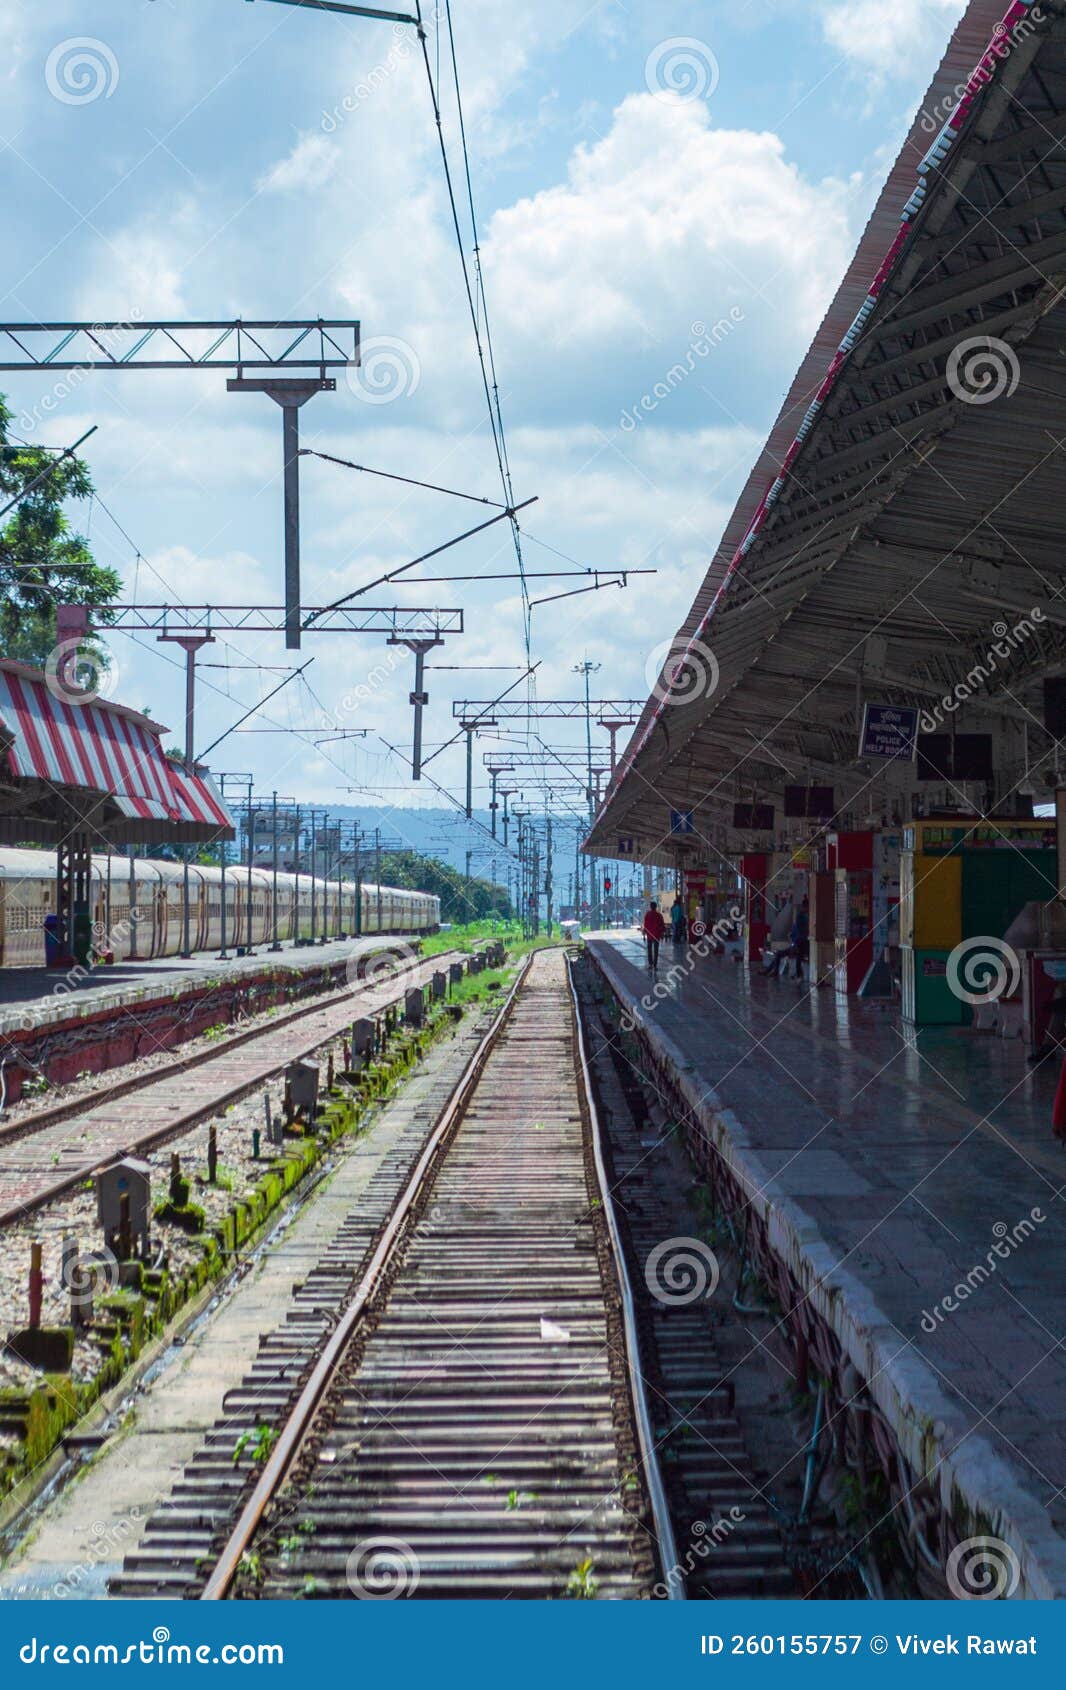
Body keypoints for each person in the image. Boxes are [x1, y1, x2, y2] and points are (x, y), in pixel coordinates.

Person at [790, 897, 810, 982]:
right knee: (799, 957)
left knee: (801, 957)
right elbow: (801, 928)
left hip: (803, 939)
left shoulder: (803, 915)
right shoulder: (801, 916)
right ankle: (799, 975)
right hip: (801, 939)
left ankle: (799, 974)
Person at [642, 900, 666, 972]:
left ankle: (650, 964)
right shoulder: (659, 915)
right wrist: (662, 933)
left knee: (649, 950)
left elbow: (645, 924)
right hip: (656, 935)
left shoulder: (647, 914)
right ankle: (655, 965)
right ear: (656, 907)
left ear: (650, 907)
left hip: (649, 935)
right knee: (656, 950)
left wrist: (644, 932)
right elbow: (662, 925)